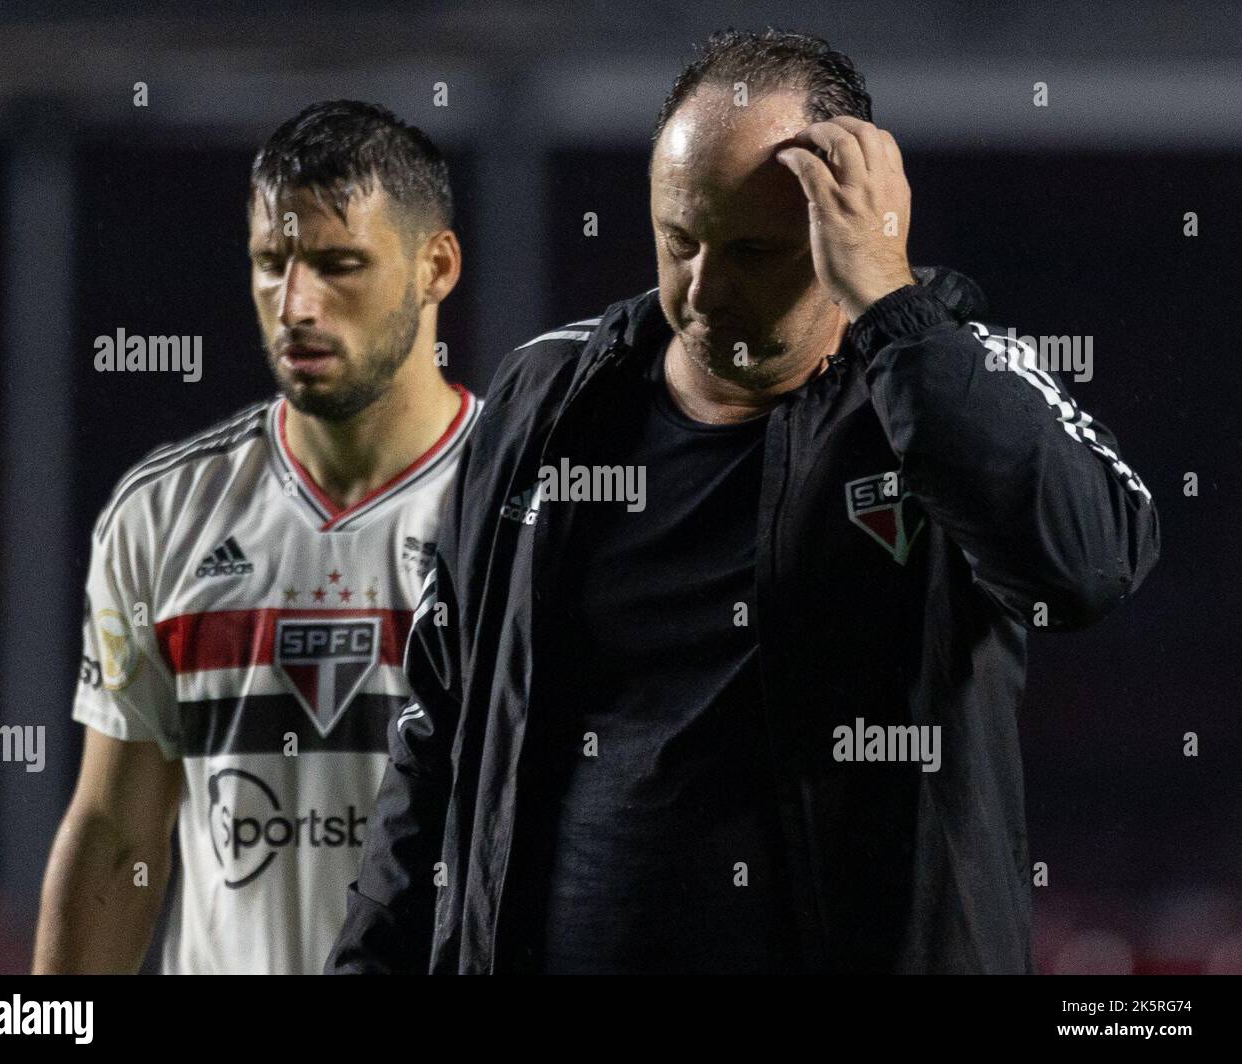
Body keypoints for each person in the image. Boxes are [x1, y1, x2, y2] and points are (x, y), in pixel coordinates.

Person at [328, 31, 1159, 975]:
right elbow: (436, 730)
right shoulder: (548, 400)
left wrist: (892, 303)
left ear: (845, 227)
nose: (704, 289)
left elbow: (1088, 568)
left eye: (755, 251)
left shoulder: (949, 384)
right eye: (680, 241)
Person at [33, 100, 479, 974]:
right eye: (272, 264)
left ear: (436, 266)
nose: (297, 304)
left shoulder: (520, 509)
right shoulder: (160, 514)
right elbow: (118, 833)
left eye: (337, 264)